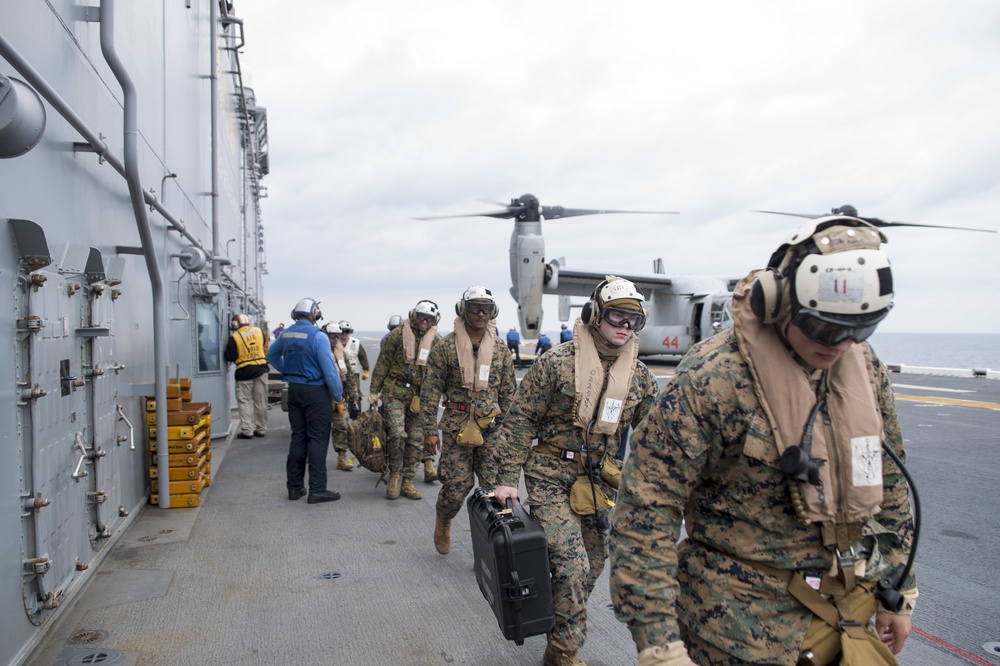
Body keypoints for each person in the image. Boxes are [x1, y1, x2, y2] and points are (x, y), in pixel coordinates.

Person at [609, 216, 917, 666]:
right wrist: (659, 645)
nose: (840, 346)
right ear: (778, 304)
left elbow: (889, 482)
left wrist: (900, 588)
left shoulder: (862, 367)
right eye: (825, 328)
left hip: (847, 614)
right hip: (734, 633)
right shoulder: (714, 377)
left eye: (859, 330)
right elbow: (646, 508)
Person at [493, 276, 659, 666]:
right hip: (550, 473)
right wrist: (504, 480)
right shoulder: (556, 363)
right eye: (617, 316)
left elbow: (654, 443)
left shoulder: (640, 378)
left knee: (591, 568)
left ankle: (557, 642)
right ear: (596, 315)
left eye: (632, 320)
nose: (624, 326)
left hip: (599, 482)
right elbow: (520, 421)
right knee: (572, 566)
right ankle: (566, 654)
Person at [421, 286, 517, 555]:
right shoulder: (445, 347)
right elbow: (429, 392)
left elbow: (509, 393)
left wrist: (515, 434)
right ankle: (443, 520)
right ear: (463, 310)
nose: (481, 313)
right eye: (475, 307)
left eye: (486, 308)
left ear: (493, 312)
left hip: (491, 429)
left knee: (492, 492)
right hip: (456, 428)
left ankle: (490, 547)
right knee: (456, 488)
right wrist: (429, 430)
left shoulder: (499, 349)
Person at [266, 298, 344, 504]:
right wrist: (338, 396)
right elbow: (329, 371)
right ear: (314, 315)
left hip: (294, 390)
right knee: (317, 440)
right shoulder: (318, 336)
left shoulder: (286, 334)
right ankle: (317, 490)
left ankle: (294, 487)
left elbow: (271, 356)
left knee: (298, 437)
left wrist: (289, 371)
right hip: (316, 392)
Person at [369, 300, 443, 499]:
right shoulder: (397, 335)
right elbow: (383, 363)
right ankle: (394, 475)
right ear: (414, 316)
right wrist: (374, 391)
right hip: (395, 393)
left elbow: (441, 372)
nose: (424, 322)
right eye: (421, 317)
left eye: (429, 319)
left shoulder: (437, 342)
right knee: (397, 433)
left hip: (419, 398)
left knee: (416, 441)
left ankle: (408, 482)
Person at [224, 313, 269, 440]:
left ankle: (247, 430)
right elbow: (264, 346)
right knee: (260, 401)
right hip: (261, 369)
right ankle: (261, 429)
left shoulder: (235, 337)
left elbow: (230, 356)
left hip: (244, 373)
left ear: (235, 324)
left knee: (244, 402)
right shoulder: (258, 331)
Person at [322, 321, 359, 472]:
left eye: (337, 337)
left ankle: (342, 458)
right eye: (332, 337)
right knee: (318, 428)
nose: (335, 340)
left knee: (342, 426)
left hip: (338, 397)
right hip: (321, 395)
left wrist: (354, 395)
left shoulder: (341, 352)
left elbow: (349, 374)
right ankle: (310, 455)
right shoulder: (318, 351)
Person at [338, 320, 370, 386]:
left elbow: (362, 357)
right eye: (342, 331)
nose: (344, 334)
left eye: (346, 331)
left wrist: (366, 370)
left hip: (353, 373)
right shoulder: (334, 342)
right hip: (339, 374)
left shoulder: (356, 343)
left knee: (356, 393)